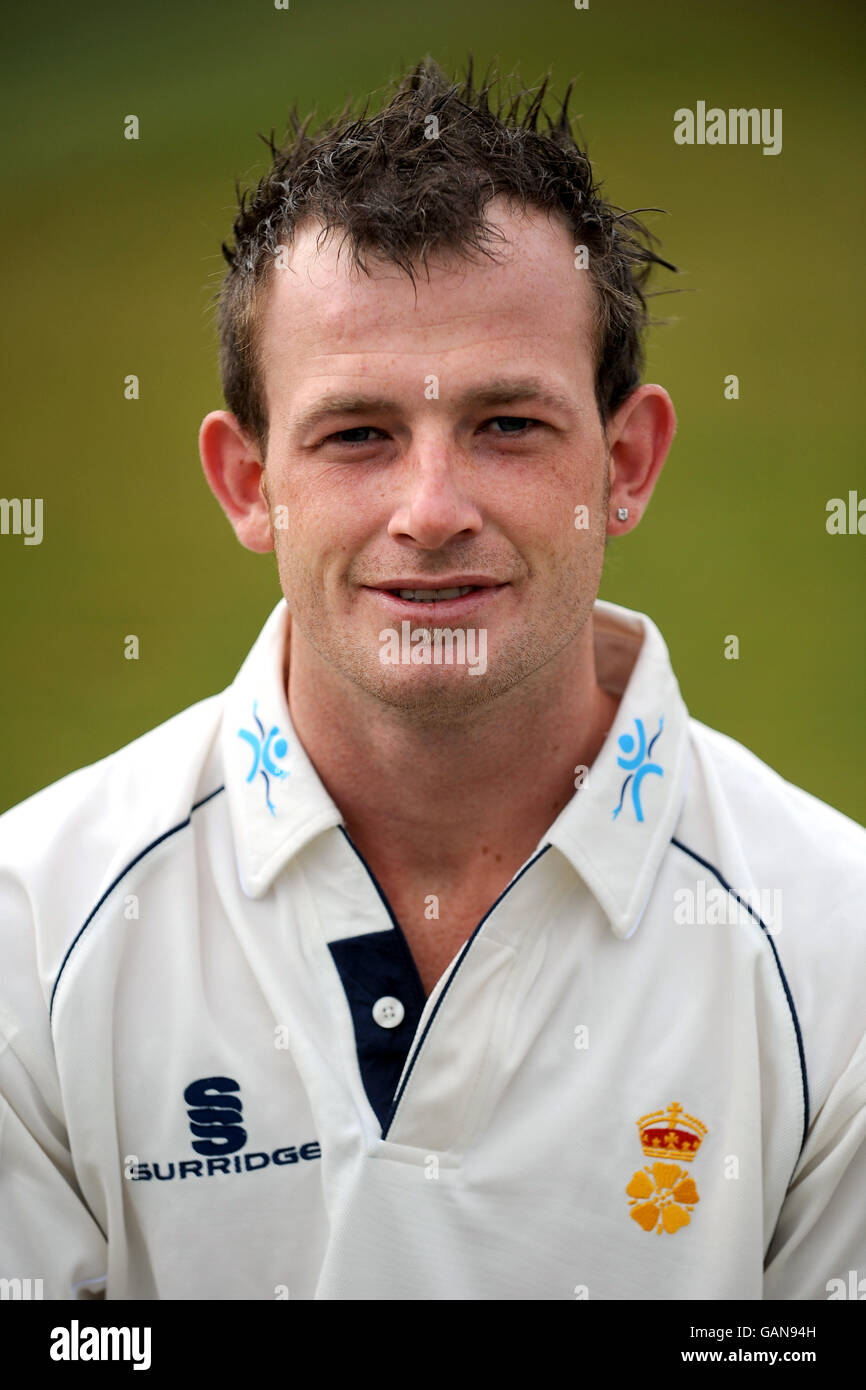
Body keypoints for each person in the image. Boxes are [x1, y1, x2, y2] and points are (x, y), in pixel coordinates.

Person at [0, 57, 863, 1302]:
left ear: (624, 460)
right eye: (357, 435)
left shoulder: (830, 954)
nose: (431, 511)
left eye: (507, 424)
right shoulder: (31, 934)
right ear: (250, 485)